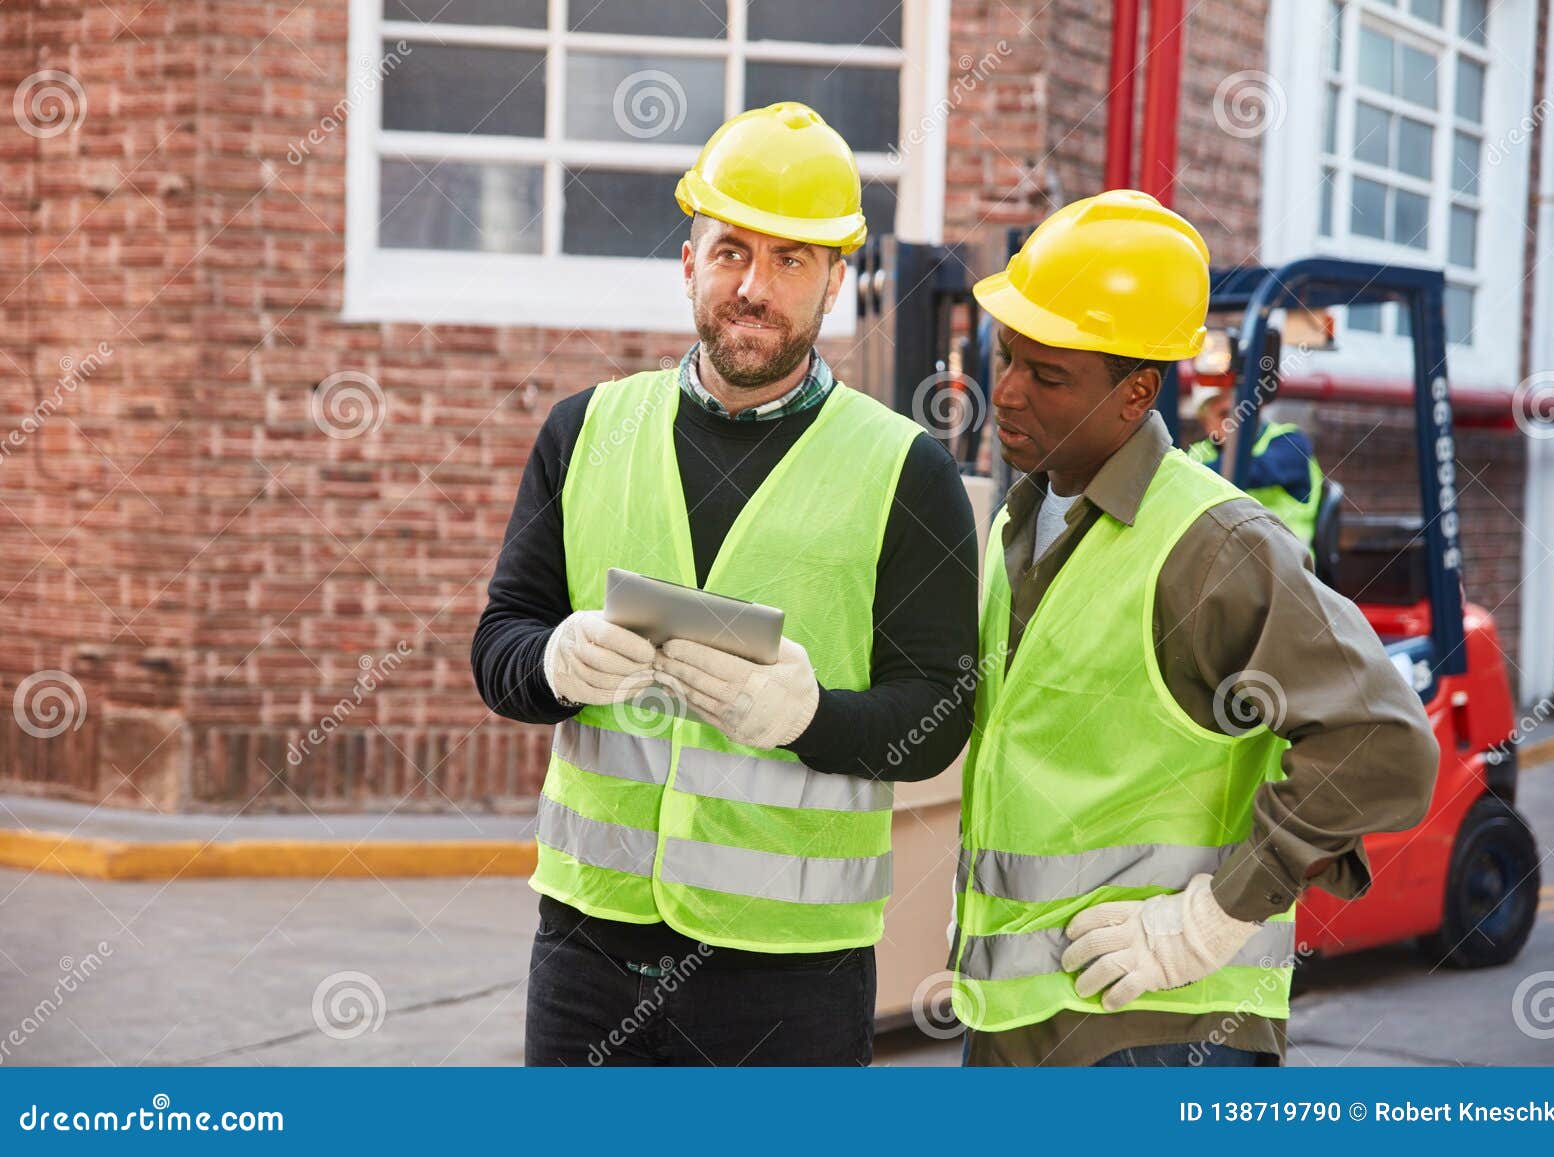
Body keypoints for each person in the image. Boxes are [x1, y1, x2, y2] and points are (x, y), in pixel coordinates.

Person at [471, 102, 978, 1067]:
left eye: (793, 260)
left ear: (836, 282)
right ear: (690, 260)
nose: (756, 285)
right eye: (732, 250)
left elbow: (942, 717)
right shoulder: (583, 433)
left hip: (792, 978)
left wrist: (809, 716)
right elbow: (499, 648)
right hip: (588, 949)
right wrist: (554, 660)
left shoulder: (907, 471)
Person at [948, 189, 1439, 1067]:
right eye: (1006, 355)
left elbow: (1386, 741)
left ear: (1137, 392)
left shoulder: (1213, 545)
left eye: (1048, 375)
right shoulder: (1020, 522)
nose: (1008, 392)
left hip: (1162, 1030)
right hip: (1021, 1023)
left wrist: (1211, 917)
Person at [1187, 385, 1324, 548]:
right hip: (1225, 553)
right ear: (1207, 425)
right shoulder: (1198, 453)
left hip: (1285, 555)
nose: (1234, 419)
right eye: (1224, 414)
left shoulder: (1290, 441)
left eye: (1240, 410)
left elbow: (1256, 470)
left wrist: (1194, 475)